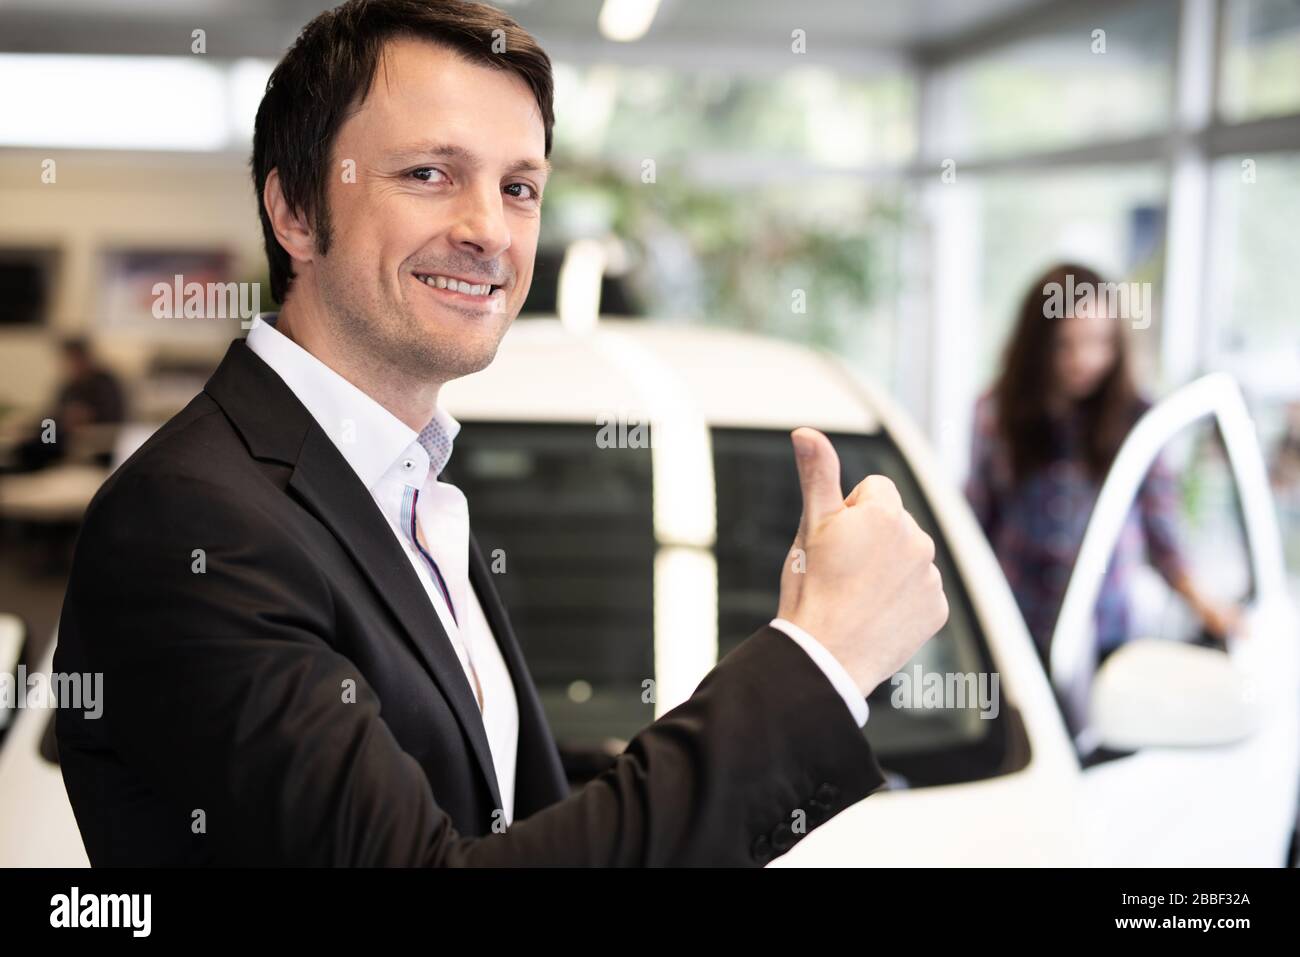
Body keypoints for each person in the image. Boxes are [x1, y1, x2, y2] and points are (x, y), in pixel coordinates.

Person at [53, 0, 948, 867]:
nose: (489, 230)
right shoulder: (192, 523)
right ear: (293, 212)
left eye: (518, 187)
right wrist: (819, 659)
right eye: (429, 174)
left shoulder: (403, 486)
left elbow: (507, 819)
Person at [966, 262, 1236, 666]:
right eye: (1063, 344)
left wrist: (1202, 601)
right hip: (1013, 630)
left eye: (1097, 342)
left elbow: (1163, 532)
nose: (1082, 359)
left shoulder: (1140, 419)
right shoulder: (996, 412)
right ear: (1037, 345)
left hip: (1105, 633)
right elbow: (977, 519)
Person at [3, 337, 125, 473]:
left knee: (42, 443)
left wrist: (84, 416)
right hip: (57, 431)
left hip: (83, 435)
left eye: (72, 359)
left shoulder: (104, 383)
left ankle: (26, 461)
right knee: (38, 437)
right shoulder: (69, 385)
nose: (69, 365)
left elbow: (112, 414)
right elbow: (53, 412)